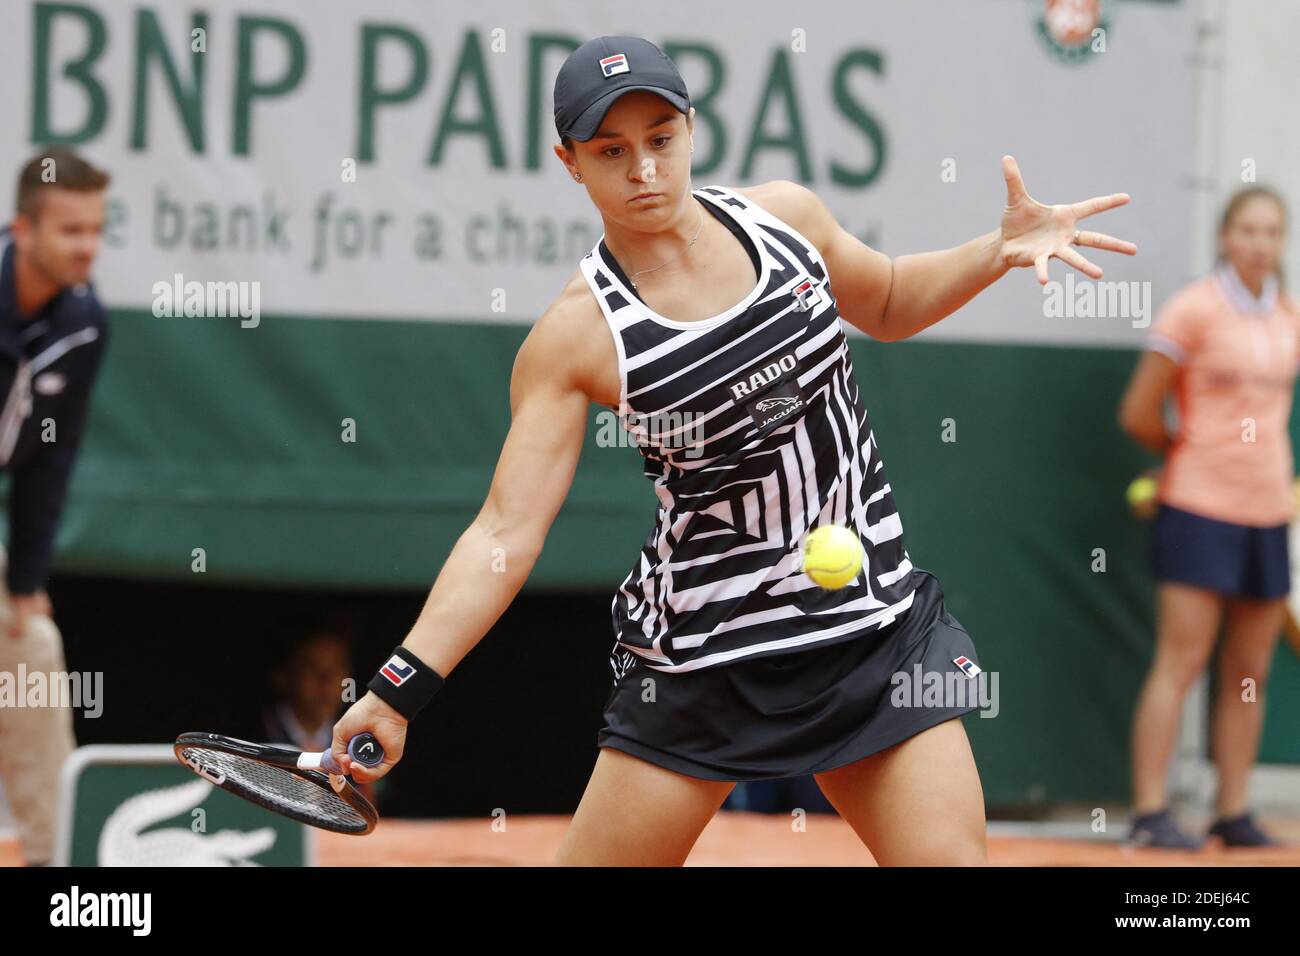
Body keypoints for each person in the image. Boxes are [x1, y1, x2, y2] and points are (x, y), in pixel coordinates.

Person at [329, 35, 1135, 866]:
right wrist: (397, 689)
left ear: (690, 128)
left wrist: (995, 251)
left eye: (660, 140)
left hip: (872, 628)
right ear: (570, 162)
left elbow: (890, 300)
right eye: (612, 151)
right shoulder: (576, 338)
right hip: (706, 661)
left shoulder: (787, 217)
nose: (643, 169)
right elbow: (505, 533)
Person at [1119, 185, 1295, 848]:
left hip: (1268, 512)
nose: (1260, 243)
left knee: (1250, 675)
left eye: (1272, 232)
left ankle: (1233, 810)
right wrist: (1187, 457)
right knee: (1180, 662)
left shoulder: (1289, 316)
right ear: (1225, 237)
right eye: (1247, 230)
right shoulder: (1192, 310)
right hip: (1198, 507)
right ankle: (1148, 812)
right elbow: (1140, 410)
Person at [0, 147, 111, 866]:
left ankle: (53, 862)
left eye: (97, 229)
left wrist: (24, 584)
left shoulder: (86, 323)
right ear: (21, 229)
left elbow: (53, 460)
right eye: (70, 231)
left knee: (31, 647)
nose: (87, 247)